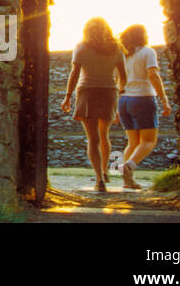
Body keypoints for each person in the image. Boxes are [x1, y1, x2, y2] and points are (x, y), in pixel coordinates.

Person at [60, 17, 126, 193]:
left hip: (87, 92)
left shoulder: (81, 47)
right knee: (104, 135)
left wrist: (67, 97)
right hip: (108, 92)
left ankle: (99, 179)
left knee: (93, 139)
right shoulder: (116, 48)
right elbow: (123, 76)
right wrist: (119, 92)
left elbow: (74, 74)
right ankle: (104, 172)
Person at [116, 23, 171, 189]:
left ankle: (128, 181)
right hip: (143, 98)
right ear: (143, 35)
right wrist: (164, 99)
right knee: (148, 141)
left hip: (124, 100)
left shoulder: (124, 54)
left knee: (133, 143)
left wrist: (117, 107)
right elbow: (153, 75)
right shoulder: (148, 51)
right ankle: (129, 165)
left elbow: (119, 80)